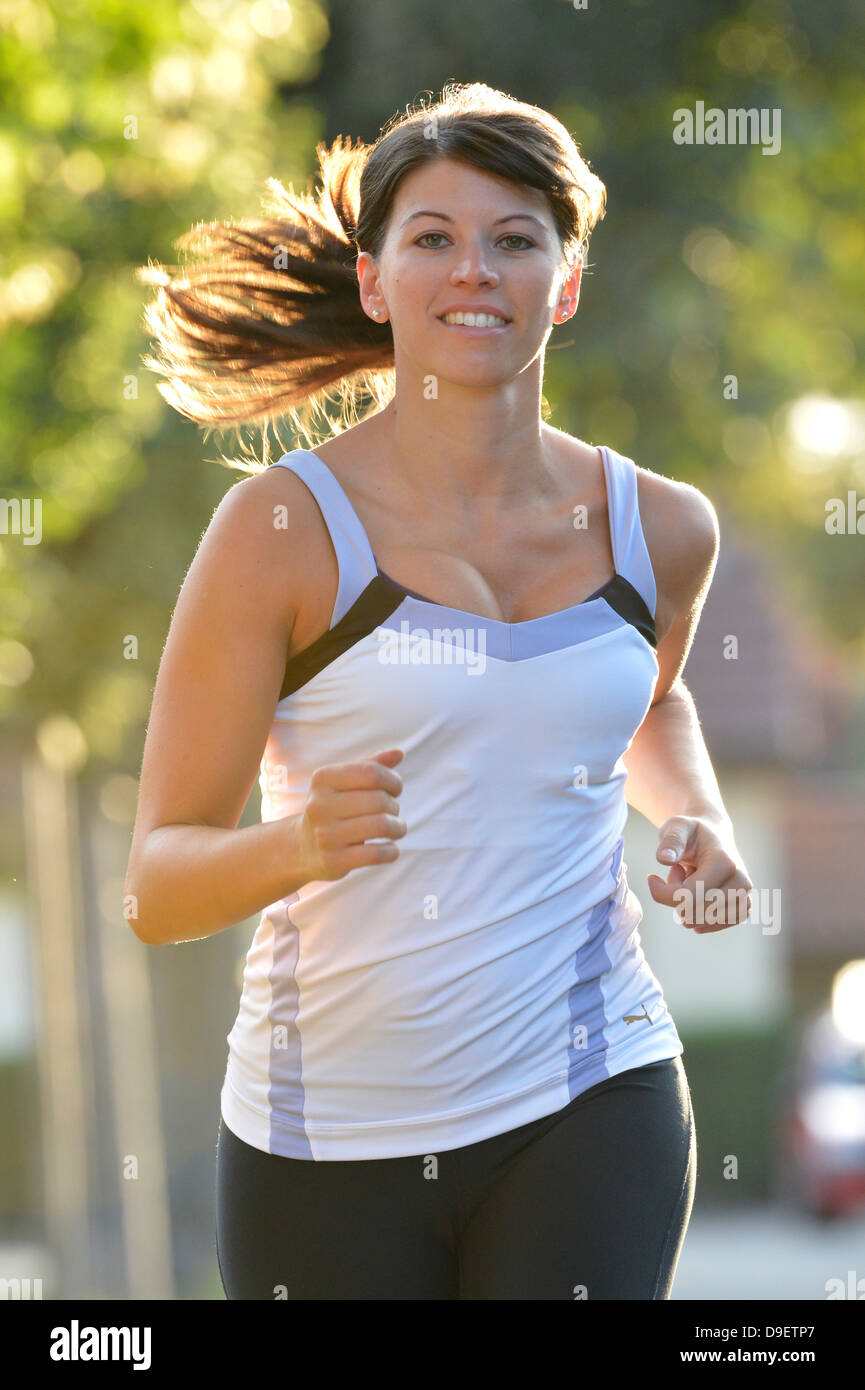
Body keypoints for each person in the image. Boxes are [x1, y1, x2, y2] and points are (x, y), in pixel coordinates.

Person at [126, 80, 754, 1300]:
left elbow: (651, 703)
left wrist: (701, 819)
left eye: (516, 240)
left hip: (591, 1090)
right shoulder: (280, 530)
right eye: (433, 239)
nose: (476, 270)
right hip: (328, 1139)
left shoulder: (659, 531)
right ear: (375, 282)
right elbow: (158, 887)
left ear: (564, 284)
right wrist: (297, 843)